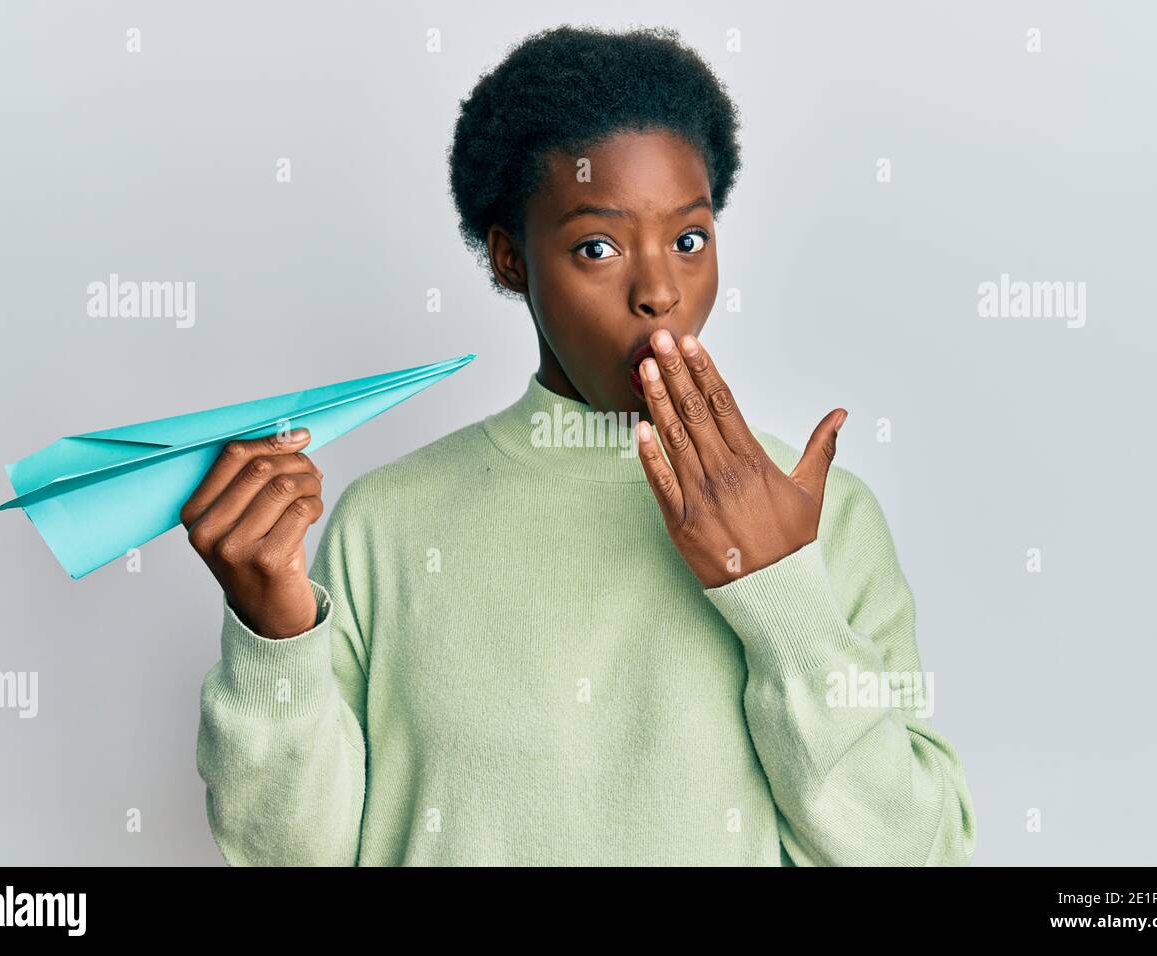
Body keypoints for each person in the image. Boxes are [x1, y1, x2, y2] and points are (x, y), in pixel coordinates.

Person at [188, 24, 976, 866]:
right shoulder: (386, 523)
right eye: (597, 247)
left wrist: (782, 593)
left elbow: (915, 854)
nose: (659, 292)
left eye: (689, 240)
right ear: (510, 260)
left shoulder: (824, 515)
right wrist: (272, 634)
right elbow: (292, 858)